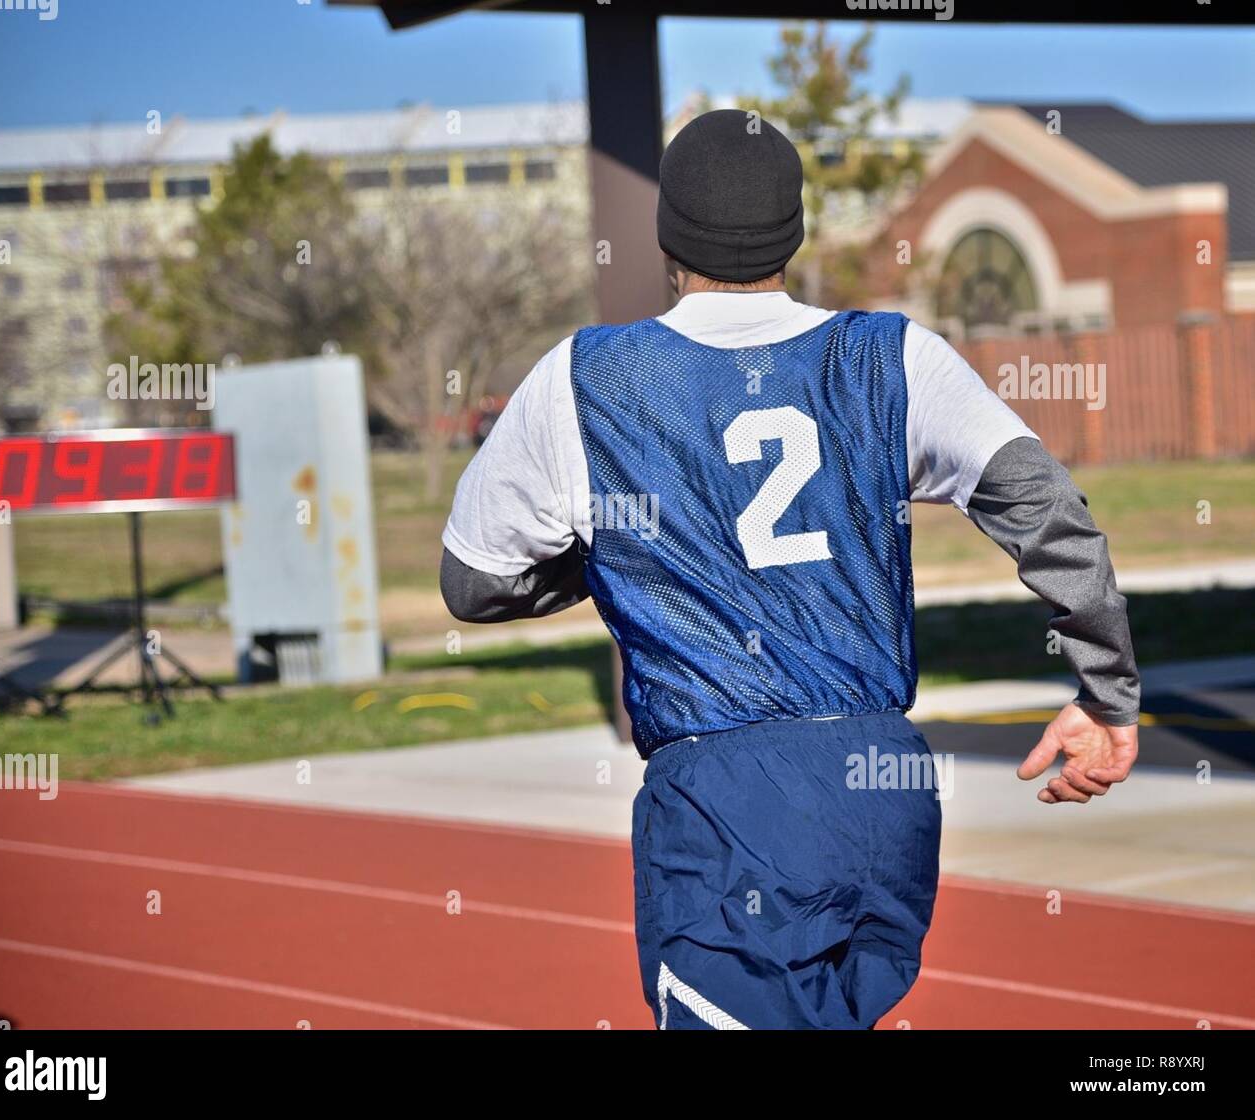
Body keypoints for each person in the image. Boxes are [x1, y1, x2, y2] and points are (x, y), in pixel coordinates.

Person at [439, 109, 1139, 1030]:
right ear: (794, 232)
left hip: (727, 799)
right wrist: (1106, 693)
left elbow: (472, 580)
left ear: (669, 236)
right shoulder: (892, 355)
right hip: (881, 788)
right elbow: (1047, 509)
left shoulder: (587, 377)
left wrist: (621, 558)